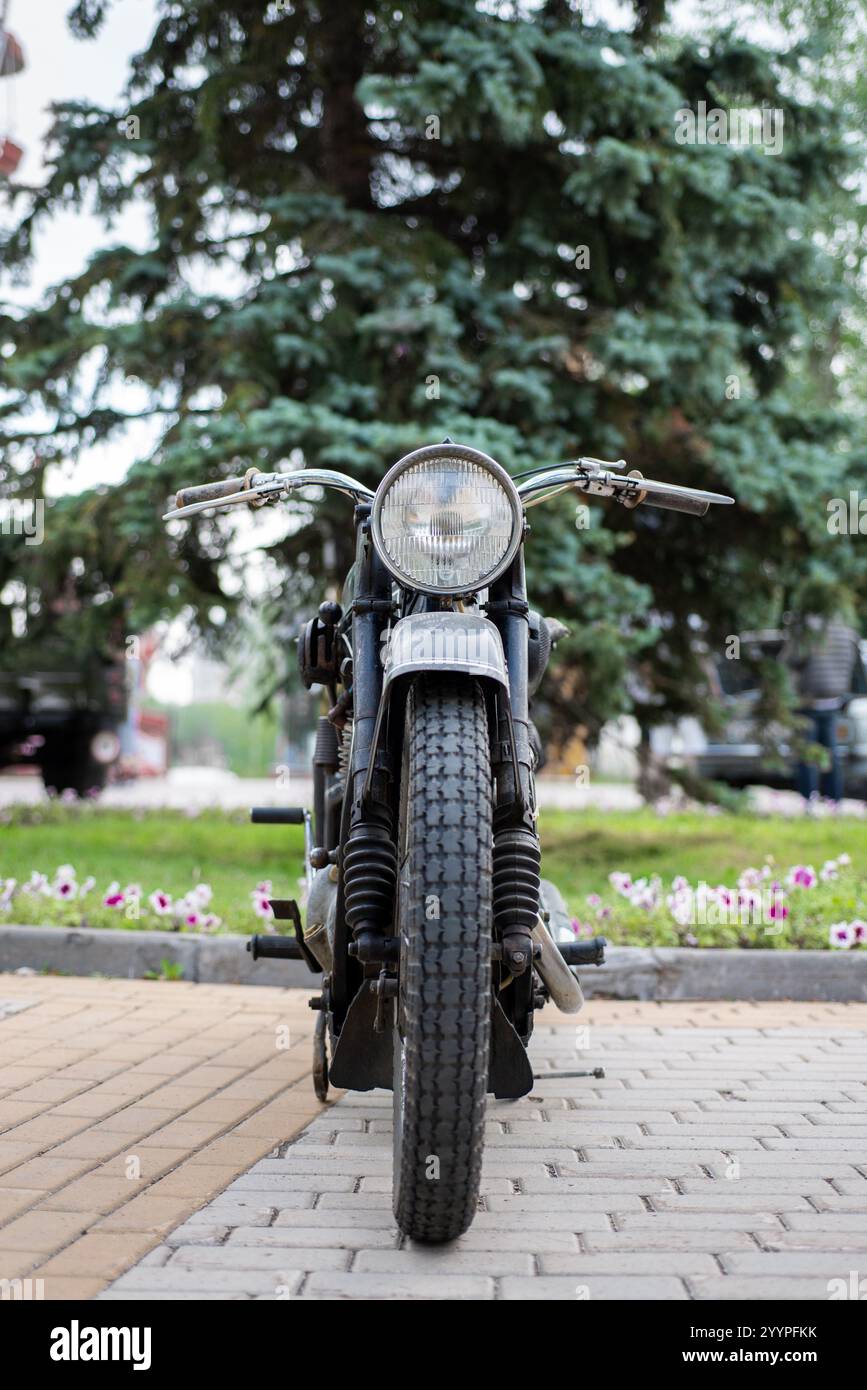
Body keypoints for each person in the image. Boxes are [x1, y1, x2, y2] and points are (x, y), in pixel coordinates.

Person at [784, 598, 864, 803]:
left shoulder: (807, 631)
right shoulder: (847, 632)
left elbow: (790, 660)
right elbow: (852, 663)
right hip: (833, 701)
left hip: (807, 702)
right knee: (831, 755)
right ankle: (833, 800)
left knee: (807, 755)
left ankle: (808, 800)